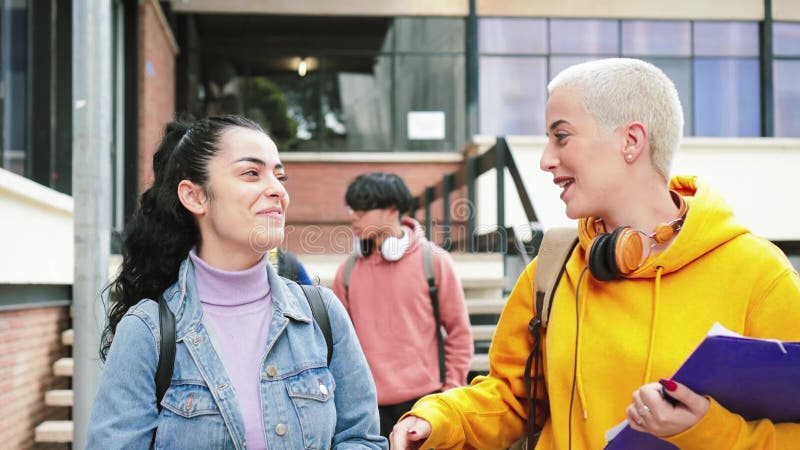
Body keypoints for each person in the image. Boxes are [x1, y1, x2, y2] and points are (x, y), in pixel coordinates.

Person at [391, 58, 800, 449]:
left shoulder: (760, 276)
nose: (545, 160)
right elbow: (514, 398)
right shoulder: (551, 270)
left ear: (631, 141)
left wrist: (710, 432)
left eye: (561, 136)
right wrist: (438, 419)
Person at [87, 115, 386, 449]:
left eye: (279, 175)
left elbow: (362, 439)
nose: (278, 190)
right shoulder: (147, 330)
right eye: (251, 173)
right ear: (195, 196)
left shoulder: (322, 314)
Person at [331, 172, 474, 439]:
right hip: (367, 409)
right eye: (353, 209)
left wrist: (450, 395)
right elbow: (337, 344)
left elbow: (459, 333)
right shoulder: (347, 272)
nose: (354, 217)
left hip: (425, 406)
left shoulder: (434, 262)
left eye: (363, 209)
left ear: (391, 211)